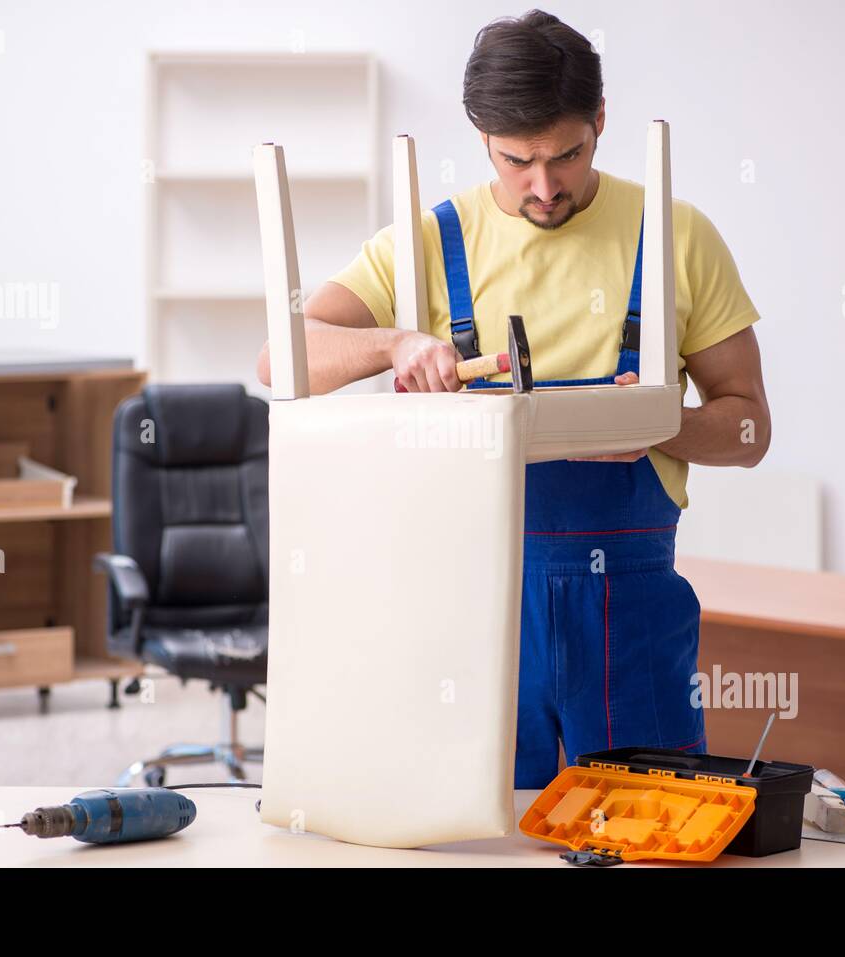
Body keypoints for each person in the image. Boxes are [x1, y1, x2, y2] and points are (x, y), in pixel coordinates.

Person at [256, 9, 771, 788]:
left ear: (601, 120)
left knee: (651, 830)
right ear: (481, 135)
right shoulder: (430, 242)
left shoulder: (676, 235)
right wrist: (394, 342)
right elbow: (279, 355)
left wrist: (662, 423)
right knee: (472, 835)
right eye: (516, 161)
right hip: (473, 615)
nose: (544, 186)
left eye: (567, 154)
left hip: (629, 614)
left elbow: (751, 432)